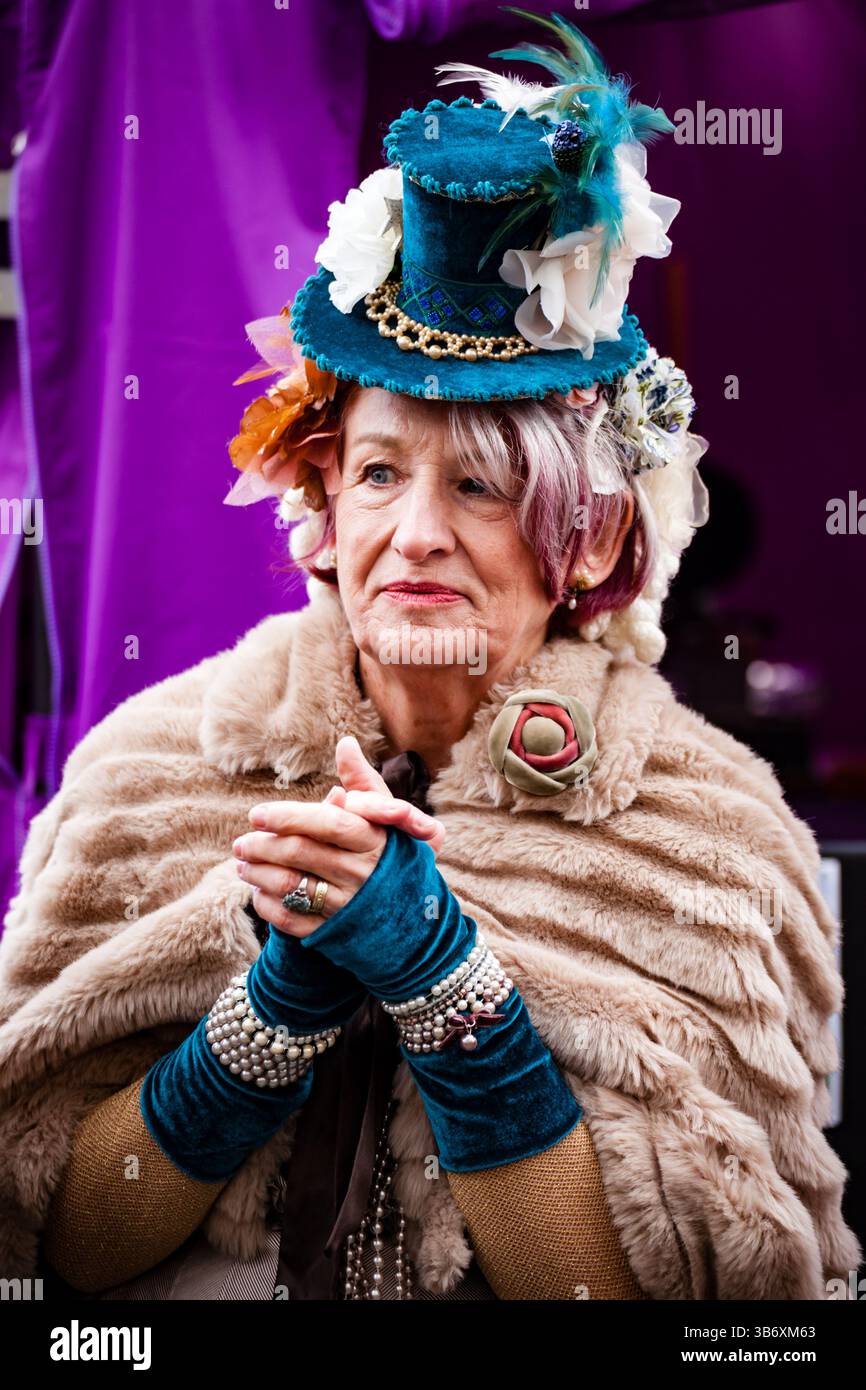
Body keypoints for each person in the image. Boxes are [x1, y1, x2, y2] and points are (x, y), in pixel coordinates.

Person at [0, 12, 859, 1302]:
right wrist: (272, 1008)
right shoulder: (146, 773)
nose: (416, 537)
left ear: (590, 537)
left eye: (482, 486)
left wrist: (451, 992)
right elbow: (57, 1236)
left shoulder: (715, 837)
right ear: (322, 513)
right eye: (380, 474)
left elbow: (670, 1299)